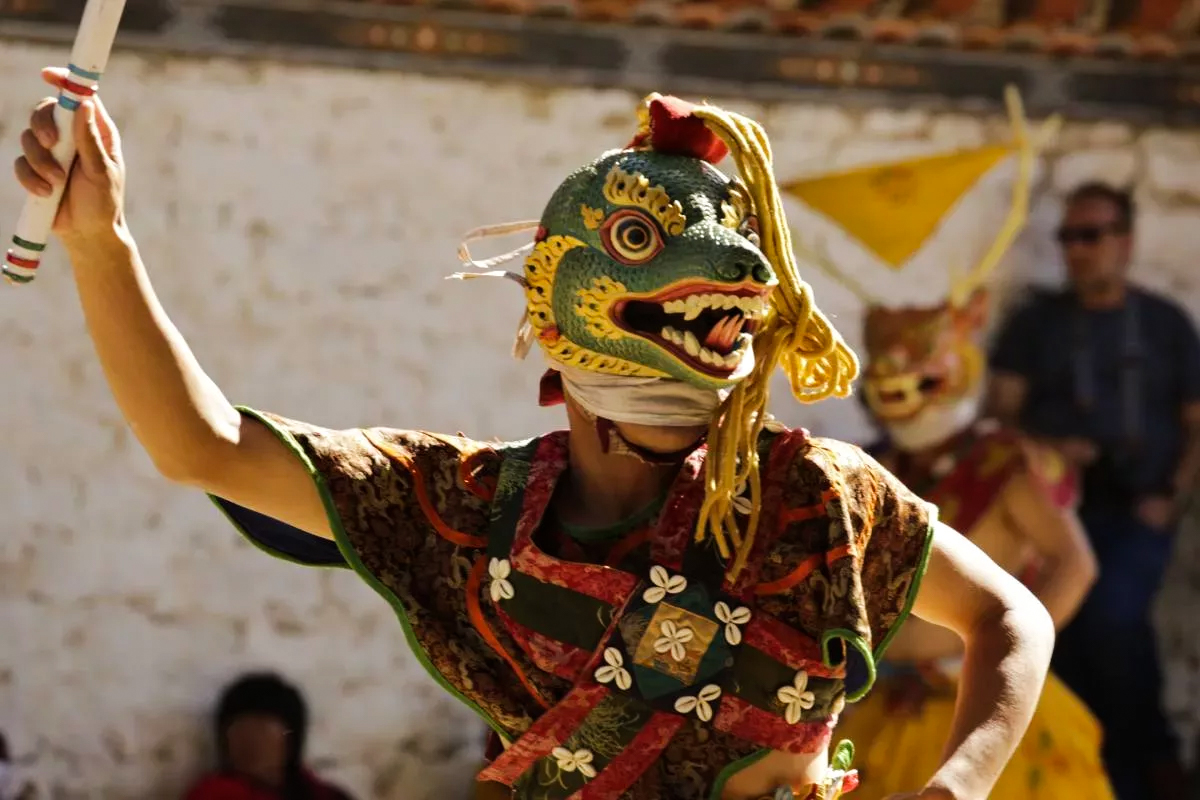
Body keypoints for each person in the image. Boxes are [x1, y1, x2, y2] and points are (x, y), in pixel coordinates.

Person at [13, 71, 1057, 800]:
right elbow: (201, 446)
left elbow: (1010, 614)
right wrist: (102, 241)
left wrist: (958, 785)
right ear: (558, 309)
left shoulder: (815, 494)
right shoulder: (466, 510)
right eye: (640, 239)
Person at [831, 288, 1113, 798]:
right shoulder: (872, 466)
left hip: (980, 707)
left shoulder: (1004, 462)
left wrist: (1002, 663)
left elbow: (1075, 565)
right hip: (885, 699)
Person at [986, 182, 1200, 800]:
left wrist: (1170, 499)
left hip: (1138, 509)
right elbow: (1000, 419)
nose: (1077, 250)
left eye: (1092, 235)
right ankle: (1103, 773)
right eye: (1068, 237)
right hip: (1052, 514)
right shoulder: (1036, 324)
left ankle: (1146, 764)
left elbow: (1195, 424)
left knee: (1111, 617)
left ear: (1126, 241)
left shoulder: (1164, 324)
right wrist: (1053, 450)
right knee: (1064, 638)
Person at [184, 672, 355, 800]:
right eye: (240, 730)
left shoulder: (325, 796)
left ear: (291, 738)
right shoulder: (212, 796)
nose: (251, 741)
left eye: (262, 729)